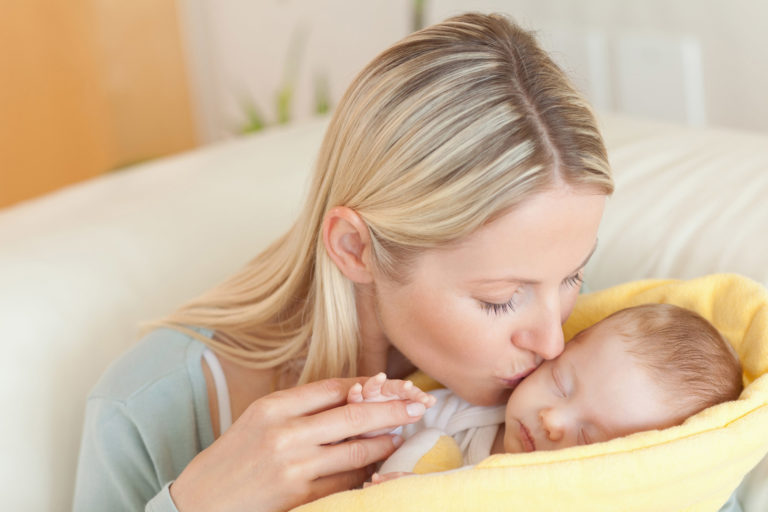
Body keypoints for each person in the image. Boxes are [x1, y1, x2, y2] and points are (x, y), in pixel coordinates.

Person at [73, 12, 614, 512]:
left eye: (572, 275)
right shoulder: (147, 406)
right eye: (499, 301)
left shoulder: (586, 376)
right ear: (355, 248)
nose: (552, 342)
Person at [357, 303, 743, 482]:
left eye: (587, 438)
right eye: (560, 383)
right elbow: (394, 435)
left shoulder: (552, 496)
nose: (552, 420)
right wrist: (375, 418)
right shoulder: (471, 413)